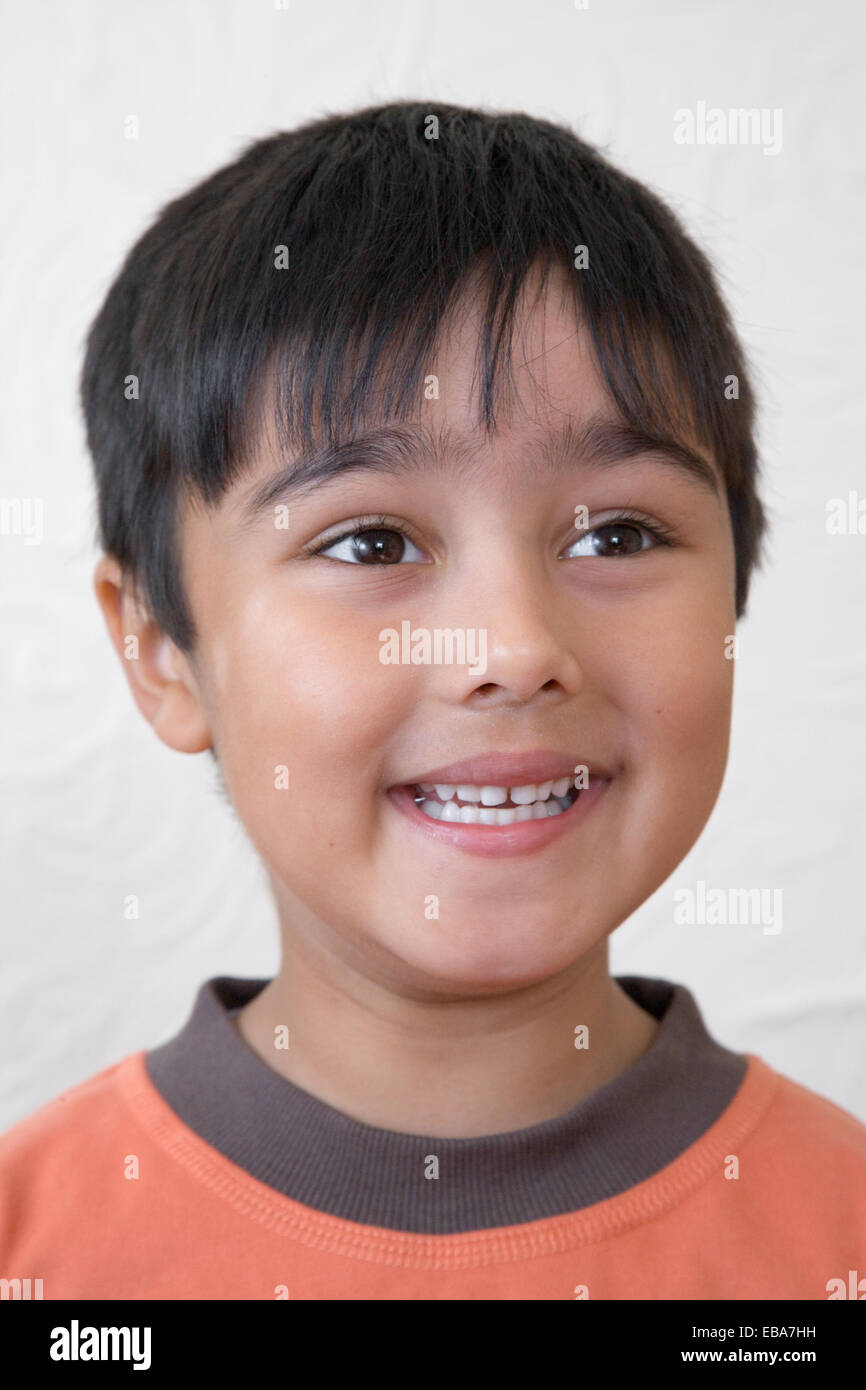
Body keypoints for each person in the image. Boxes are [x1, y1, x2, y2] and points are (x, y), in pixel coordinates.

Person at [2, 101, 864, 1301]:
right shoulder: (35, 1252)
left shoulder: (841, 1241)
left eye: (615, 531)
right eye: (368, 543)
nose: (511, 648)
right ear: (160, 647)